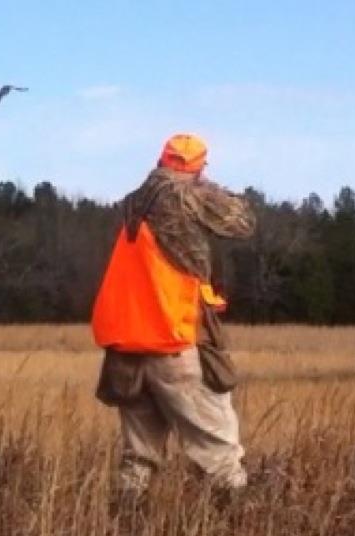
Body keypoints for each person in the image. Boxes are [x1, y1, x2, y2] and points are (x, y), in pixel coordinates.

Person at [92, 133, 255, 495]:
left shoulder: (134, 201)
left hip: (127, 349)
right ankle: (237, 532)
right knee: (219, 455)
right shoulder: (188, 195)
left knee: (139, 457)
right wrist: (208, 185)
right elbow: (242, 223)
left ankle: (125, 530)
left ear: (162, 160)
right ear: (198, 167)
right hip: (174, 341)